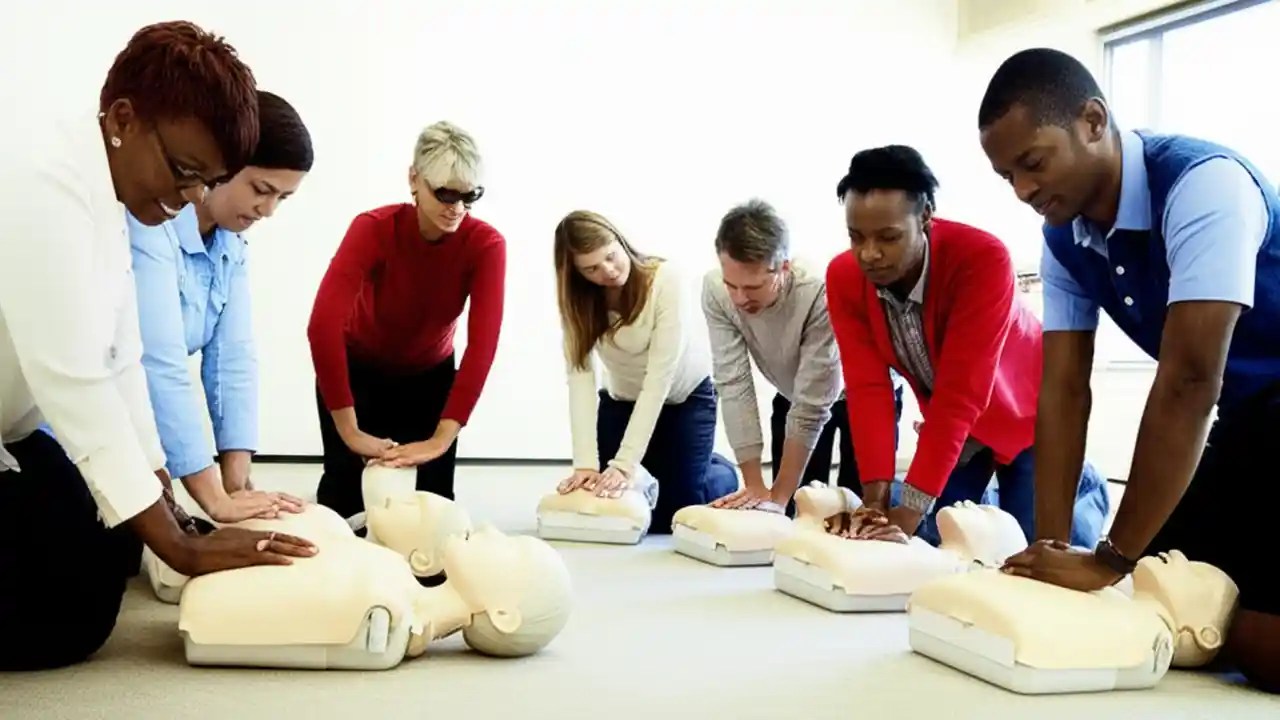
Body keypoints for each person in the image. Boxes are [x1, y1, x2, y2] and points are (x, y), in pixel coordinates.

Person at [0, 21, 316, 671]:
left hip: (13, 427)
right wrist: (182, 547)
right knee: (66, 617)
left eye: (206, 180)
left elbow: (123, 356)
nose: (190, 197)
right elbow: (74, 377)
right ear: (124, 118)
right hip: (32, 415)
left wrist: (166, 490)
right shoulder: (40, 180)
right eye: (185, 172)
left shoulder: (113, 194)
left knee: (103, 556)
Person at [978, 47, 1280, 693]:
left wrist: (1111, 556)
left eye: (1033, 163)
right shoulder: (1063, 236)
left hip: (1249, 404)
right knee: (1163, 594)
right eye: (1007, 176)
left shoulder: (1205, 185)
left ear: (1092, 121)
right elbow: (1062, 390)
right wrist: (1053, 550)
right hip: (1251, 416)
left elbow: (1190, 381)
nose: (1023, 190)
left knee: (1254, 643)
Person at [824, 144, 1110, 548]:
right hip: (958, 426)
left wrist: (905, 517)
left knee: (1035, 545)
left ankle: (1086, 486)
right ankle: (989, 500)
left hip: (1025, 412)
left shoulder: (981, 258)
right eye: (856, 237)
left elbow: (960, 393)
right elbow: (868, 389)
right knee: (943, 533)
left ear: (926, 216)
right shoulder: (844, 276)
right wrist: (875, 505)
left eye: (888, 237)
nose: (869, 254)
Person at [128, 90, 313, 525]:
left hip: (136, 436)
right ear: (222, 164)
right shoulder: (152, 223)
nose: (268, 210)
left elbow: (233, 359)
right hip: (72, 430)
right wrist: (213, 498)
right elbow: (159, 362)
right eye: (261, 190)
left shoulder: (231, 243)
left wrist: (237, 484)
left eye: (282, 198)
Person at [307, 121, 506, 521]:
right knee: (344, 505)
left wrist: (441, 439)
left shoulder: (486, 245)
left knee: (431, 513)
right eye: (445, 193)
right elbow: (322, 327)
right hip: (359, 374)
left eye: (470, 196)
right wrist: (349, 430)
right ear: (414, 179)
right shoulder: (373, 228)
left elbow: (482, 347)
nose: (457, 208)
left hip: (428, 384)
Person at [701, 199, 903, 515]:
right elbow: (733, 383)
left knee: (859, 510)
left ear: (783, 267)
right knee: (799, 506)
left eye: (753, 287)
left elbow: (813, 402)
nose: (740, 298)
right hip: (792, 392)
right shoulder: (715, 290)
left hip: (865, 395)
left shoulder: (819, 290)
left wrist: (778, 498)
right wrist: (755, 486)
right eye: (732, 285)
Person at [552, 210, 737, 534]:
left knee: (675, 515)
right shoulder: (578, 302)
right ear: (577, 275)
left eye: (610, 256)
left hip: (684, 399)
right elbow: (580, 379)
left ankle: (718, 470)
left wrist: (625, 464)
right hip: (623, 402)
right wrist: (586, 464)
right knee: (615, 501)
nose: (608, 271)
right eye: (591, 269)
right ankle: (668, 464)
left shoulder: (667, 280)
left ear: (621, 242)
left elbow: (659, 377)